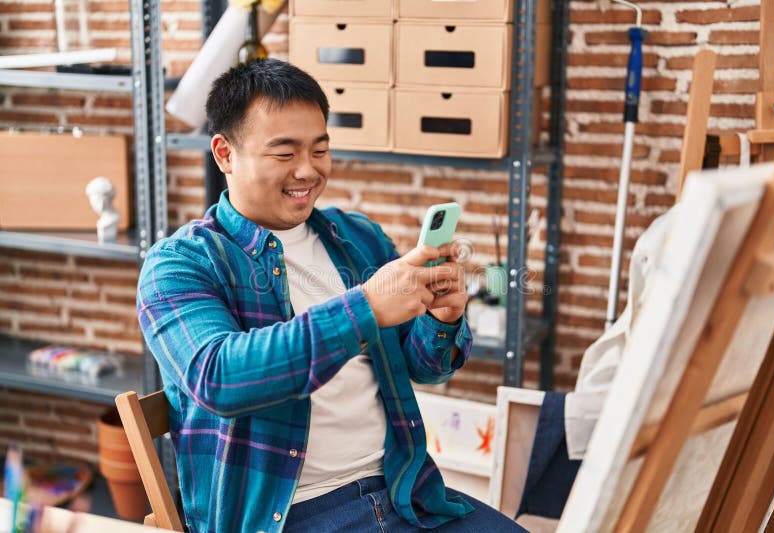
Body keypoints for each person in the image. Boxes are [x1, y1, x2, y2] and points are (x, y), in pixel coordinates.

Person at [137, 58, 526, 532]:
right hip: (288, 516)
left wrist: (442, 319)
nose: (308, 171)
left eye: (320, 150)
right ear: (224, 154)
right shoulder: (181, 264)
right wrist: (364, 308)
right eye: (285, 153)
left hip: (405, 491)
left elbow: (425, 367)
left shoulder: (356, 235)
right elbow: (219, 377)